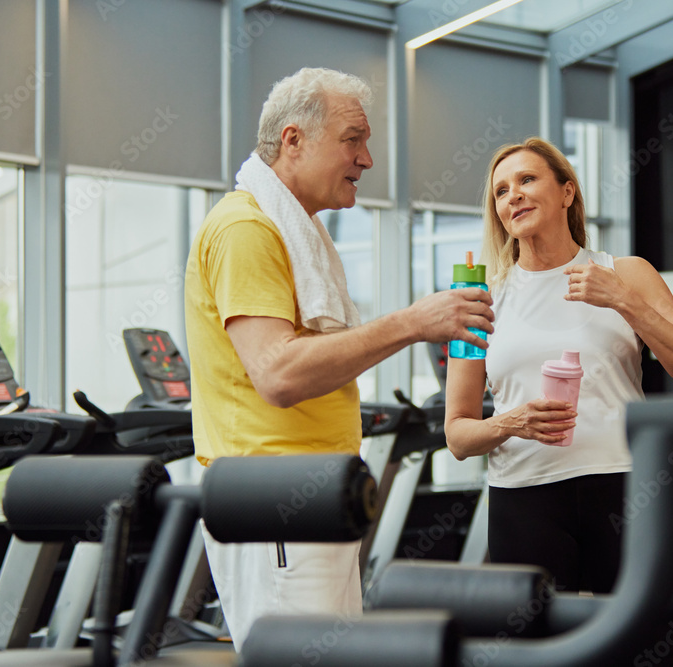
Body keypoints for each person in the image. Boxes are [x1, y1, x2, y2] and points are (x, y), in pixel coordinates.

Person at [183, 67, 495, 649]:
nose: (367, 159)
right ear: (293, 140)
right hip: (278, 501)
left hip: (316, 495)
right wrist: (411, 323)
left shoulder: (292, 230)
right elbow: (276, 373)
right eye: (353, 139)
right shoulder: (247, 229)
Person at [444, 137, 673, 594]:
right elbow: (457, 434)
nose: (514, 196)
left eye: (527, 179)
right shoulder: (482, 300)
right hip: (525, 495)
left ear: (566, 192)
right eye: (502, 191)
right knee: (539, 648)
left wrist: (624, 301)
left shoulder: (626, 273)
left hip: (624, 487)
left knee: (640, 643)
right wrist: (512, 422)